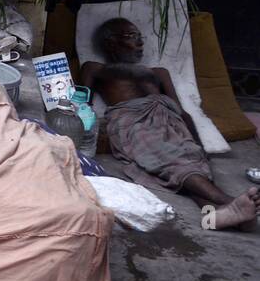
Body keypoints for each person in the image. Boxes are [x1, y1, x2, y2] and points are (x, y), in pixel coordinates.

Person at [80, 17, 258, 230]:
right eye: (132, 37)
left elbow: (181, 111)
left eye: (140, 37)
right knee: (173, 162)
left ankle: (213, 217)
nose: (140, 43)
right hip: (133, 119)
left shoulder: (159, 72)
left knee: (191, 164)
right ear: (110, 43)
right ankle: (230, 202)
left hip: (170, 118)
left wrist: (199, 146)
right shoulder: (95, 68)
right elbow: (81, 102)